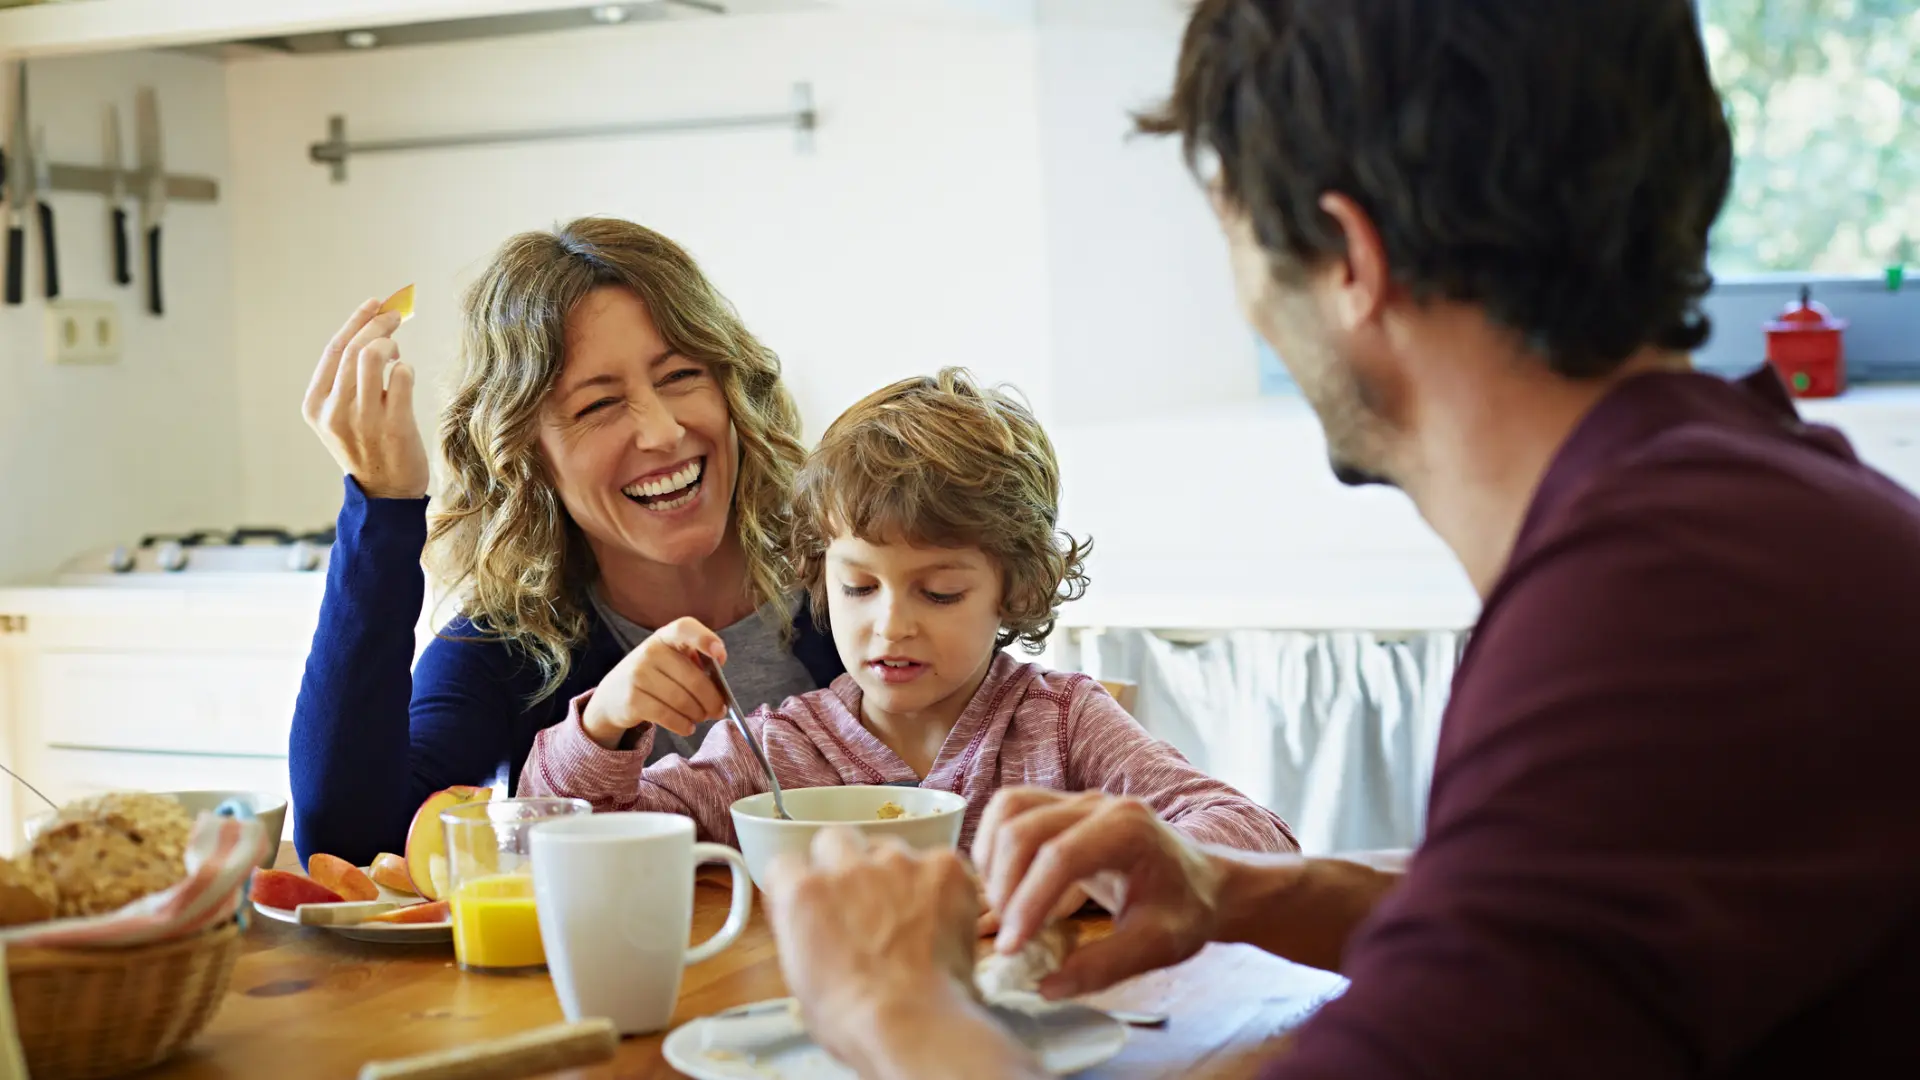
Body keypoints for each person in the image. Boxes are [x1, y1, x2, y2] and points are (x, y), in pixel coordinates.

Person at [754, 1, 1920, 1078]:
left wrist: (898, 1015)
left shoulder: (1662, 619)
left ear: (1348, 258)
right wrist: (1249, 888)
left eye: (1236, 237)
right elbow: (1545, 917)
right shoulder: (1748, 521)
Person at [519, 370, 1296, 917]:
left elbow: (1256, 837)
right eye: (859, 587)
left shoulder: (1060, 724)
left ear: (1014, 590)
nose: (891, 625)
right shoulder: (779, 752)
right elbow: (557, 846)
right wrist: (605, 725)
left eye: (940, 591)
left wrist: (1093, 870)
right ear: (819, 577)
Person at [290, 218, 842, 865]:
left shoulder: (859, 592)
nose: (662, 432)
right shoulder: (511, 647)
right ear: (529, 456)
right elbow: (352, 846)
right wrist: (382, 508)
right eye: (598, 405)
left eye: (680, 376)